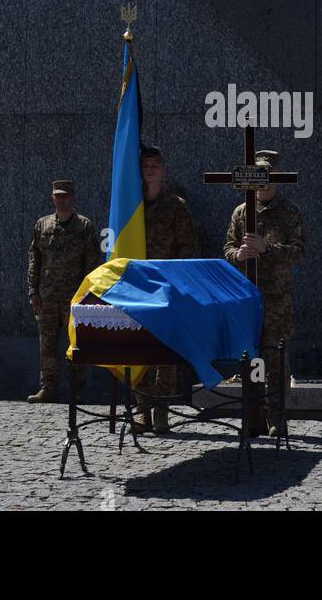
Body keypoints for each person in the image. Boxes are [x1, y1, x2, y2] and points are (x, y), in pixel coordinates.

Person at [223, 149, 305, 438]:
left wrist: (267, 250)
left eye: (268, 175)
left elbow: (299, 252)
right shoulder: (241, 212)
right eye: (258, 175)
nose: (263, 181)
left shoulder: (289, 212)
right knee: (250, 358)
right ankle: (254, 416)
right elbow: (228, 249)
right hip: (246, 296)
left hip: (277, 299)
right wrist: (240, 254)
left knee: (275, 359)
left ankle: (277, 417)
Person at [134, 145, 199, 434]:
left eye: (155, 166)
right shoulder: (130, 204)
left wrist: (176, 281)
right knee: (137, 351)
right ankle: (142, 410)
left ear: (164, 171)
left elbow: (187, 247)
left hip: (166, 286)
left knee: (165, 352)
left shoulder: (176, 206)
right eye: (145, 165)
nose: (150, 170)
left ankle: (161, 410)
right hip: (136, 286)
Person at [26, 180, 102, 403]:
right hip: (47, 296)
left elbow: (91, 264)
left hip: (74, 297)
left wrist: (89, 296)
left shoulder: (84, 227)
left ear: (73, 198)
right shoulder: (43, 225)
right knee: (47, 344)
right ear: (52, 198)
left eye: (66, 196)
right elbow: (34, 259)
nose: (62, 200)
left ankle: (76, 388)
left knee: (76, 344)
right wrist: (33, 291)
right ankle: (48, 387)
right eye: (58, 196)